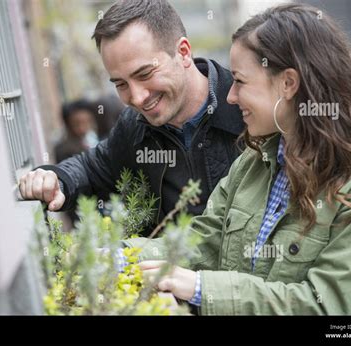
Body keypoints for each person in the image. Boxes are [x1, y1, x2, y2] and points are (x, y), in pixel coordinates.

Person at [124, 4, 351, 315]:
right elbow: (203, 242)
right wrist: (117, 257)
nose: (231, 96)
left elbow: (319, 305)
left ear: (288, 83)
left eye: (240, 81)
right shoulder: (252, 164)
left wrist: (199, 287)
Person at [19, 0, 244, 235]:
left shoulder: (247, 109)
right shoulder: (133, 126)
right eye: (121, 84)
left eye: (145, 73)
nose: (137, 98)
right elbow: (91, 169)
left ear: (183, 52)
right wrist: (55, 179)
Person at [54, 99, 99, 164]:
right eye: (76, 124)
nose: (82, 128)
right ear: (68, 125)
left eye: (86, 122)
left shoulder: (94, 139)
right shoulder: (64, 151)